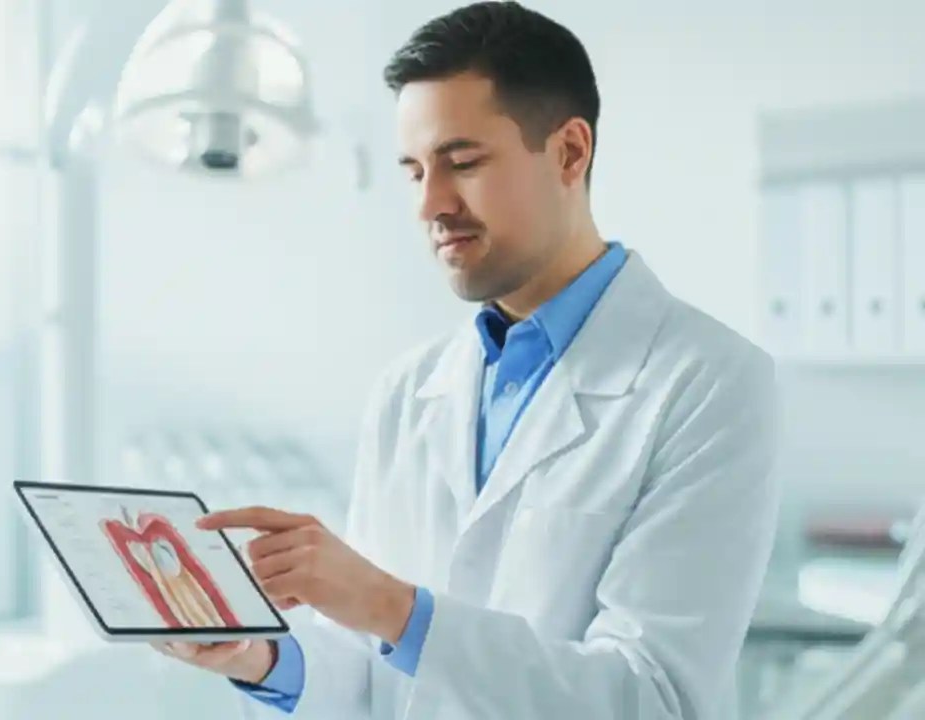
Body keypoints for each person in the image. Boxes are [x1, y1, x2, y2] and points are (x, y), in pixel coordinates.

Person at [151, 2, 779, 718]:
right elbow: (373, 670)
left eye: (463, 163)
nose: (430, 205)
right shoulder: (410, 390)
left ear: (571, 152)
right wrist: (263, 657)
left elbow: (650, 697)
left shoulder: (710, 385)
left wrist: (388, 605)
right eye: (414, 171)